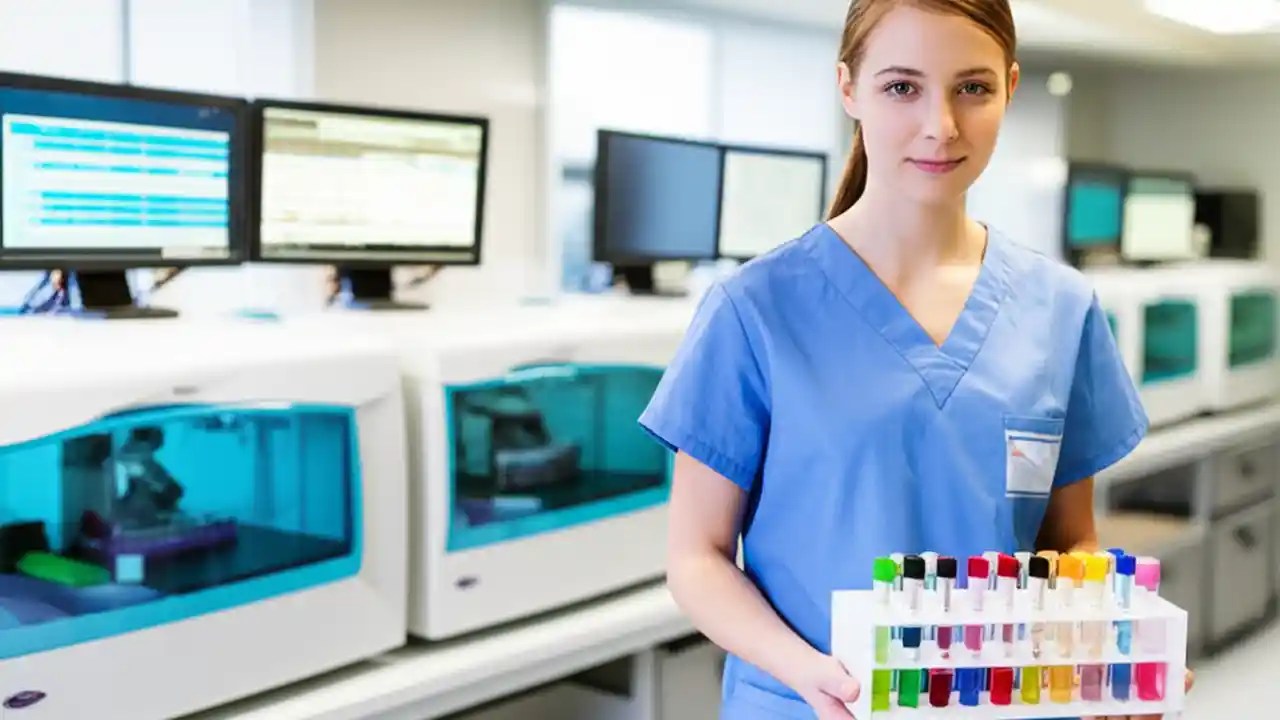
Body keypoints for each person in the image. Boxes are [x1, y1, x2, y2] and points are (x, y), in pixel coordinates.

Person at [638, 1, 1192, 718]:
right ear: (849, 89)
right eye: (903, 87)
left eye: (973, 88)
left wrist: (1111, 648)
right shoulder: (756, 309)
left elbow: (1067, 540)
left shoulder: (1059, 307)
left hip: (998, 705)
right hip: (810, 704)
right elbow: (696, 558)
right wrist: (807, 673)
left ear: (1010, 88)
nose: (941, 125)